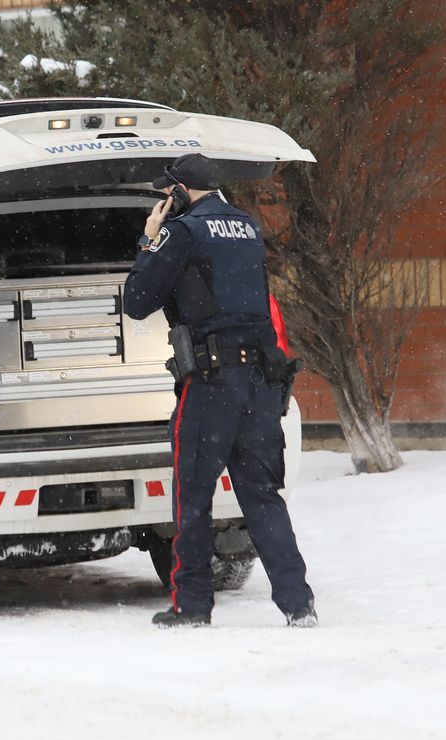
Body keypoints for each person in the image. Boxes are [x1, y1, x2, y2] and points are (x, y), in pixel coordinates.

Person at [124, 153, 316, 628]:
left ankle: (191, 606)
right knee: (263, 495)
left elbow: (136, 301)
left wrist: (149, 239)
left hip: (211, 384)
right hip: (259, 383)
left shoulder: (182, 231)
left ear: (178, 191)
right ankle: (298, 603)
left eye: (166, 193)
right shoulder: (248, 228)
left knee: (193, 494)